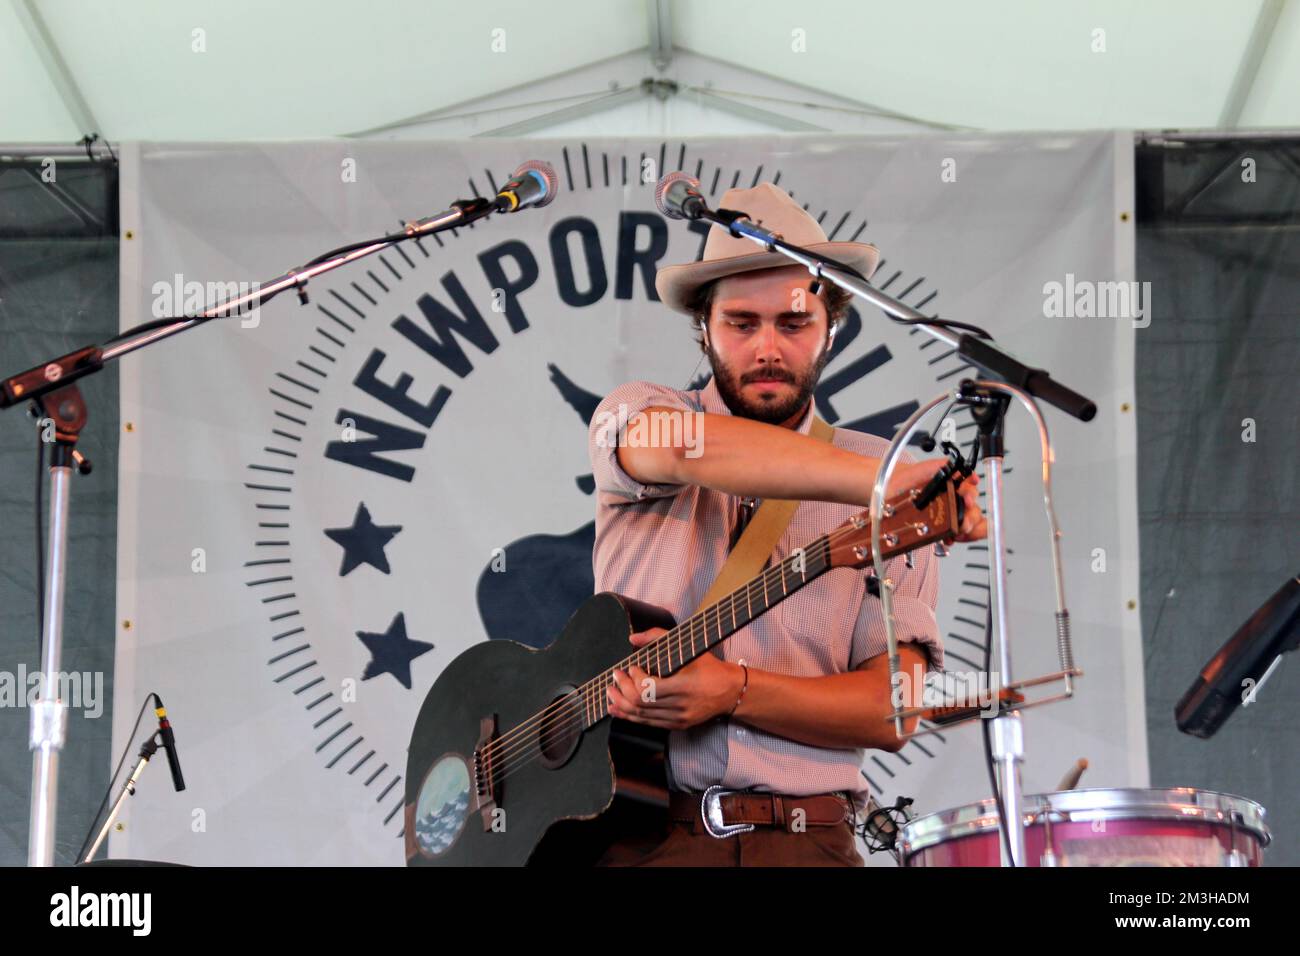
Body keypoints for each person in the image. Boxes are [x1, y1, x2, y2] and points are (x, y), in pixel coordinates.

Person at [586, 183, 986, 866]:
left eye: (793, 323)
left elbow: (897, 707)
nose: (767, 347)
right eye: (741, 323)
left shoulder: (884, 473)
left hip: (811, 843)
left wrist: (736, 691)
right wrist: (884, 483)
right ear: (703, 327)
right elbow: (698, 450)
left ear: (830, 326)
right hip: (641, 837)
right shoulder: (640, 411)